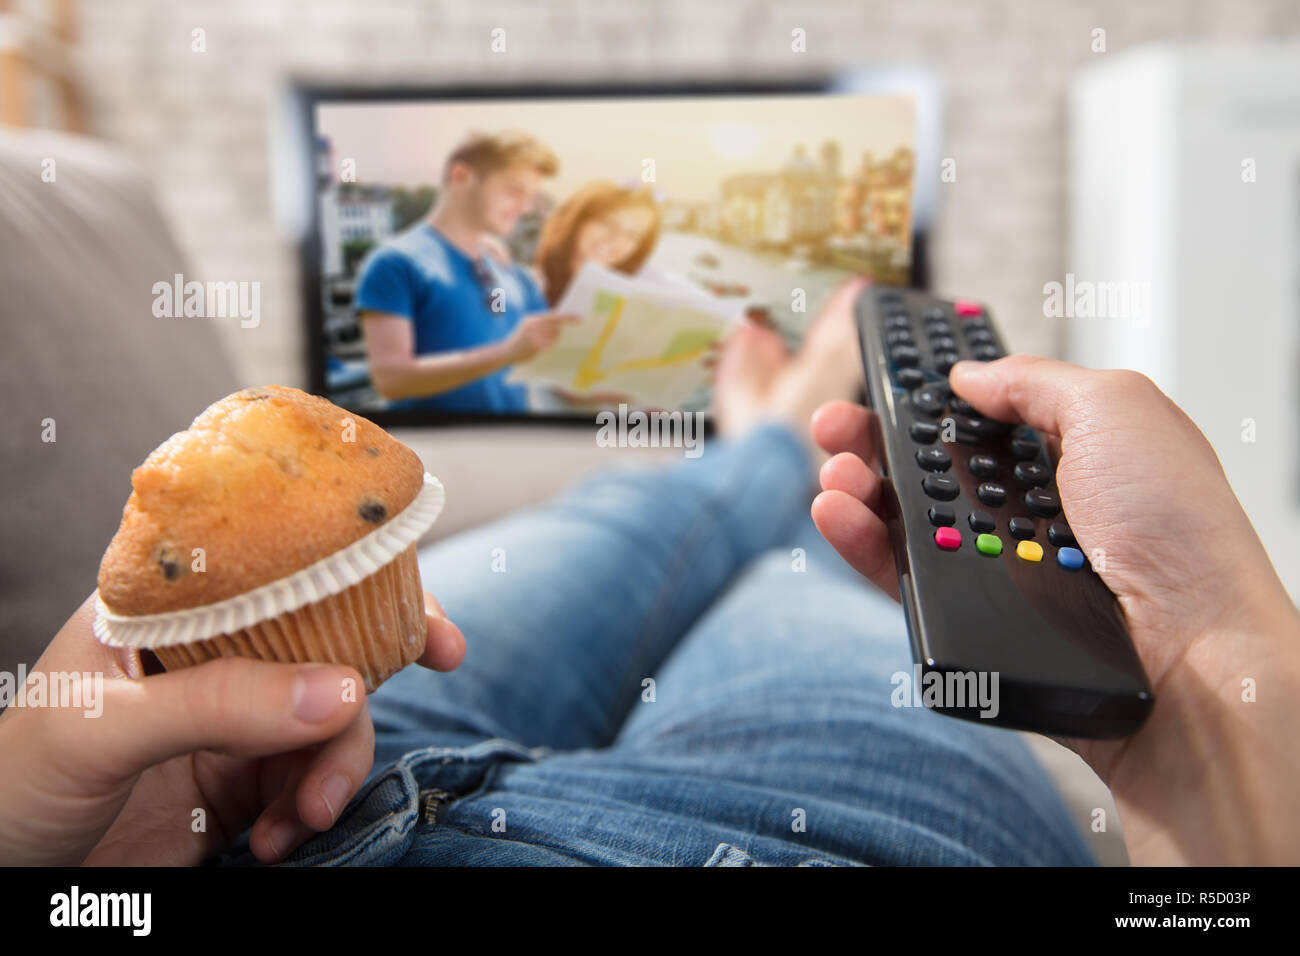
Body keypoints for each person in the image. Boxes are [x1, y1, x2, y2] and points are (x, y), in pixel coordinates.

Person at [2, 279, 1298, 866]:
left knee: (639, 516)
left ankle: (761, 446)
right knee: (794, 568)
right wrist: (1221, 683)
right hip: (775, 835)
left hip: (323, 769)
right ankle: (773, 444)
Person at [354, 130, 577, 414]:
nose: (524, 208)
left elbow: (556, 365)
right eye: (514, 191)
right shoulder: (394, 263)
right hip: (430, 452)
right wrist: (506, 353)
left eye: (531, 197)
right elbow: (391, 379)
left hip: (514, 449)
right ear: (461, 176)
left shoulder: (514, 275)